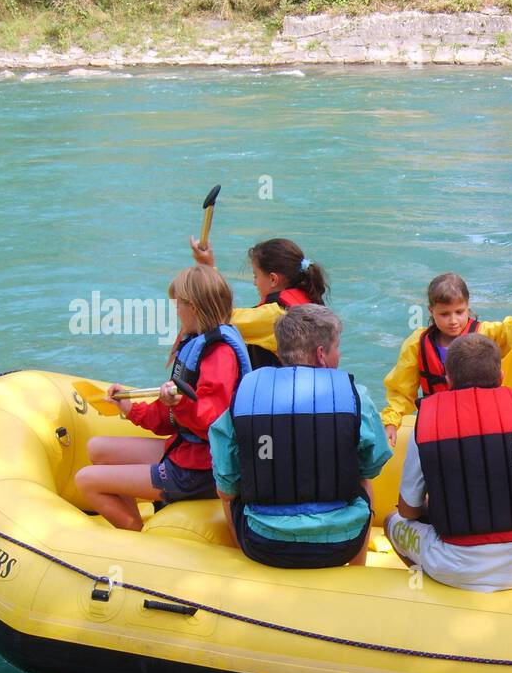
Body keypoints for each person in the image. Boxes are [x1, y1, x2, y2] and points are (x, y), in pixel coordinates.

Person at [209, 304, 391, 569]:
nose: (339, 354)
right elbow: (373, 463)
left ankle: (245, 563)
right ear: (321, 355)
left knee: (229, 488)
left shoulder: (247, 392)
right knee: (363, 479)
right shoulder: (355, 395)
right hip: (342, 545)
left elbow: (226, 479)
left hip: (262, 543)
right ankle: (357, 570)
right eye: (337, 347)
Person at [76, 266, 250, 531]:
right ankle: (132, 523)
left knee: (86, 480)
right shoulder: (198, 343)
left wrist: (180, 403)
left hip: (200, 470)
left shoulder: (219, 354)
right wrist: (129, 408)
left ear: (192, 307)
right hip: (187, 450)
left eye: (177, 305)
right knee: (97, 449)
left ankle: (135, 535)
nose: (176, 311)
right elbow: (171, 419)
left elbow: (213, 420)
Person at [386, 334, 512, 592]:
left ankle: (433, 592)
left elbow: (408, 511)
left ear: (448, 380)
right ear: (501, 377)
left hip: (454, 567)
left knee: (392, 521)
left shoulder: (427, 421)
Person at [380, 272, 512, 447]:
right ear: (431, 310)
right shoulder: (417, 343)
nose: (453, 321)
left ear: (468, 306)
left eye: (459, 312)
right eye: (444, 314)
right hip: (439, 422)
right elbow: (401, 390)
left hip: (481, 422)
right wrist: (391, 420)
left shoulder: (486, 334)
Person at [191, 235, 330, 368]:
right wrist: (208, 265)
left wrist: (207, 268)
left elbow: (217, 319)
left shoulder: (275, 316)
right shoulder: (308, 302)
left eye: (255, 276)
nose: (254, 283)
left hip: (277, 389)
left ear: (273, 279)